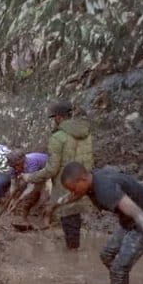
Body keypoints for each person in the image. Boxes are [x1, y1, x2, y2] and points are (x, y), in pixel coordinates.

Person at [17, 101, 94, 249]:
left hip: (66, 182)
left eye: (54, 118)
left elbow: (52, 169)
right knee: (75, 214)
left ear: (58, 117)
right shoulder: (86, 133)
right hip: (85, 180)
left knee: (68, 216)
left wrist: (29, 177)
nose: (53, 121)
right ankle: (74, 247)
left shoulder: (57, 137)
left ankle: (72, 256)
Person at [6, 150, 48, 218]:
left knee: (42, 195)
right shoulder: (12, 167)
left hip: (48, 170)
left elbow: (31, 187)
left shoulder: (32, 164)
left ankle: (43, 215)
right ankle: (26, 215)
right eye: (14, 166)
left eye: (17, 165)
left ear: (23, 161)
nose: (16, 168)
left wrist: (17, 202)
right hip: (37, 173)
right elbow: (13, 184)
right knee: (25, 189)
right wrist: (12, 199)